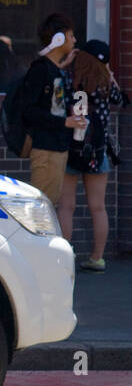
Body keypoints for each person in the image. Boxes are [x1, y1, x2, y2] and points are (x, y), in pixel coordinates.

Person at [57, 39, 123, 271]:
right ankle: (97, 258)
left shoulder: (69, 79)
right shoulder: (105, 84)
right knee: (98, 207)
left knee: (66, 206)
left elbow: (57, 102)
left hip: (72, 149)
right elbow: (120, 100)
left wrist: (65, 64)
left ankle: (64, 259)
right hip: (97, 151)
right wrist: (108, 72)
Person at [19, 13, 86, 206]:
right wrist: (66, 122)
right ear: (59, 38)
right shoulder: (40, 69)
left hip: (58, 147)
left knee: (50, 203)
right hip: (46, 149)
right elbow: (29, 110)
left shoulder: (55, 70)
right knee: (41, 205)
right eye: (71, 35)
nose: (74, 40)